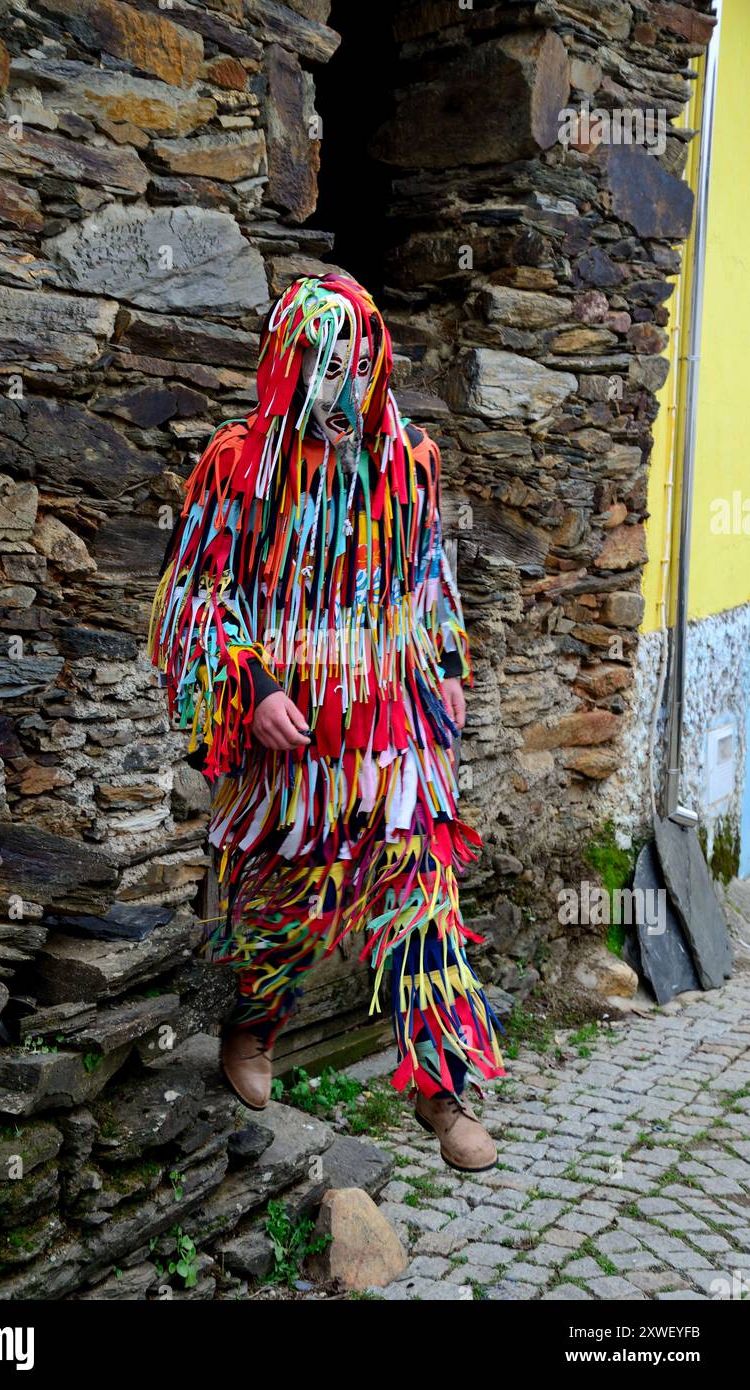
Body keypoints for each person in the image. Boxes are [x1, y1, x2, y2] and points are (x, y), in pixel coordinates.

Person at [148, 274, 505, 1172]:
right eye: (321, 362)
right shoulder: (237, 464)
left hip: (393, 730)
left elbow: (427, 571)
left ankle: (440, 1085)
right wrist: (253, 686)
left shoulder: (406, 459)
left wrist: (446, 663)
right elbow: (196, 595)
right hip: (295, 736)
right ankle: (253, 1029)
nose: (339, 384)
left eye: (353, 364)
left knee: (422, 896)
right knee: (278, 902)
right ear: (288, 362)